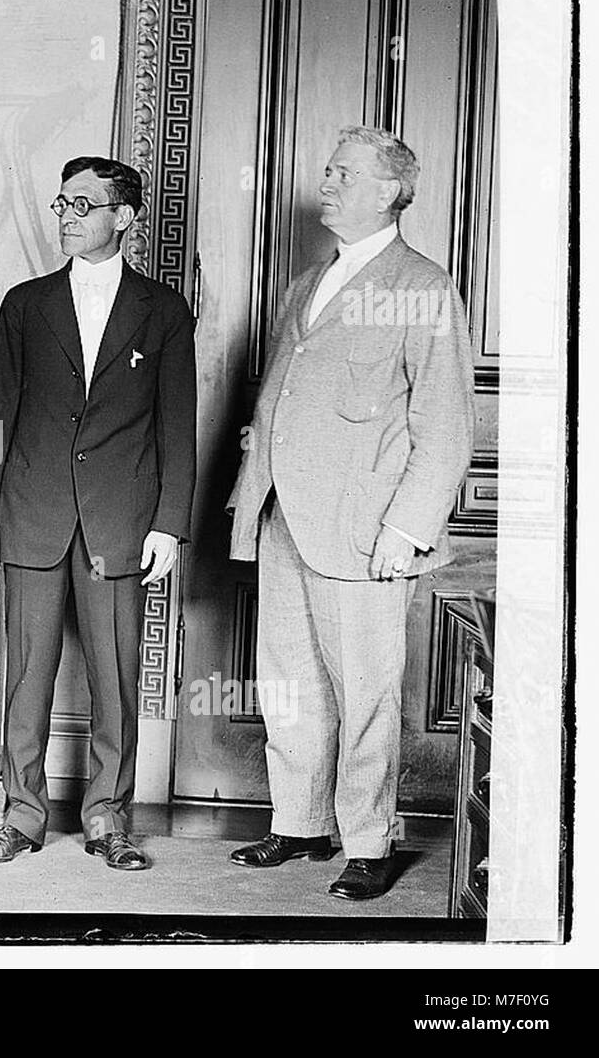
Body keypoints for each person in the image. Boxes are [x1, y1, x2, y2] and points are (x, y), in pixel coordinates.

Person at [227, 126, 475, 900]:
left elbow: (446, 423)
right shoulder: (308, 283)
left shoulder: (424, 286)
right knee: (289, 682)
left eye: (342, 173)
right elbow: (282, 397)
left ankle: (369, 840)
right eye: (328, 170)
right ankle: (298, 822)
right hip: (283, 519)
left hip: (369, 534)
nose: (325, 184)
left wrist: (407, 532)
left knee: (367, 691)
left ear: (390, 190)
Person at [0, 156, 197, 871]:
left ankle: (108, 818)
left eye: (82, 205)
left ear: (123, 218)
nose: (65, 216)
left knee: (115, 679)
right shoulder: (24, 304)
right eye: (60, 204)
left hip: (121, 522)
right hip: (31, 514)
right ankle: (22, 816)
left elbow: (179, 425)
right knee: (27, 675)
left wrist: (169, 523)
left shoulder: (162, 312)